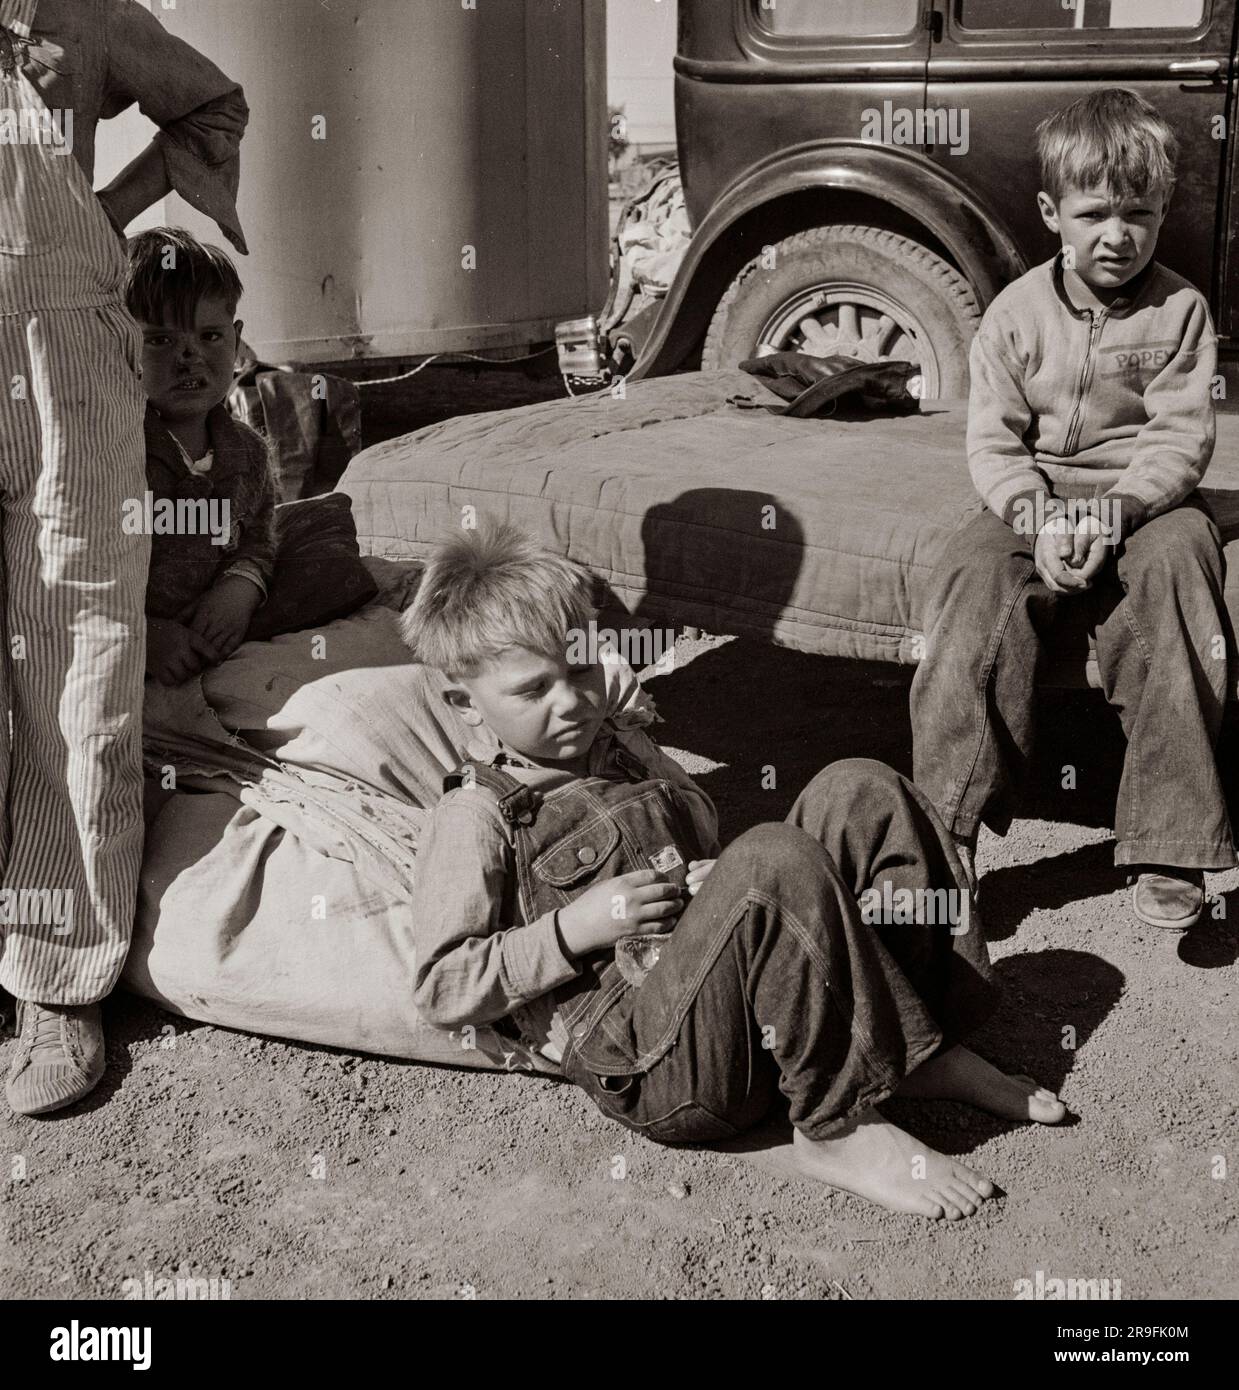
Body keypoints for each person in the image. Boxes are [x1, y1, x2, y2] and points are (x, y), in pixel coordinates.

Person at [404, 524, 1066, 1221]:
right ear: (466, 705)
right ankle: (835, 1127)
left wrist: (709, 874)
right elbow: (442, 988)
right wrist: (576, 927)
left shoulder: (622, 746)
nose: (568, 701)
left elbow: (699, 842)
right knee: (770, 858)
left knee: (862, 790)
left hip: (740, 1011)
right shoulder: (476, 816)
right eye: (532, 689)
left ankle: (916, 1045)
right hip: (657, 1064)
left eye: (580, 671)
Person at [0, 0, 247, 1115]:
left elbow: (210, 103)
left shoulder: (77, 14)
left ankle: (58, 978)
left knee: (82, 660)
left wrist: (105, 214)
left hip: (69, 351)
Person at [910, 88, 1234, 932]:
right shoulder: (1013, 314)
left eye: (1140, 214)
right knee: (970, 582)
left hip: (1144, 499)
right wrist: (1035, 518)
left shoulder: (1182, 311)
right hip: (1036, 494)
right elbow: (993, 443)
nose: (1117, 235)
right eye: (1094, 214)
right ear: (1052, 212)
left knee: (1181, 570)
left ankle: (1173, 837)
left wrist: (1117, 513)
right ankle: (942, 836)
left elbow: (1179, 440)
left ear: (1162, 212)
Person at [124, 228, 276, 686]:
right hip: (128, 639)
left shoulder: (248, 452)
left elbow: (258, 540)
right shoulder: (112, 450)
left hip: (214, 628)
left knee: (326, 543)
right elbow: (82, 566)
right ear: (119, 343)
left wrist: (241, 588)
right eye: (160, 340)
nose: (190, 358)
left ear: (237, 339)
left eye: (210, 335)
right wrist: (143, 635)